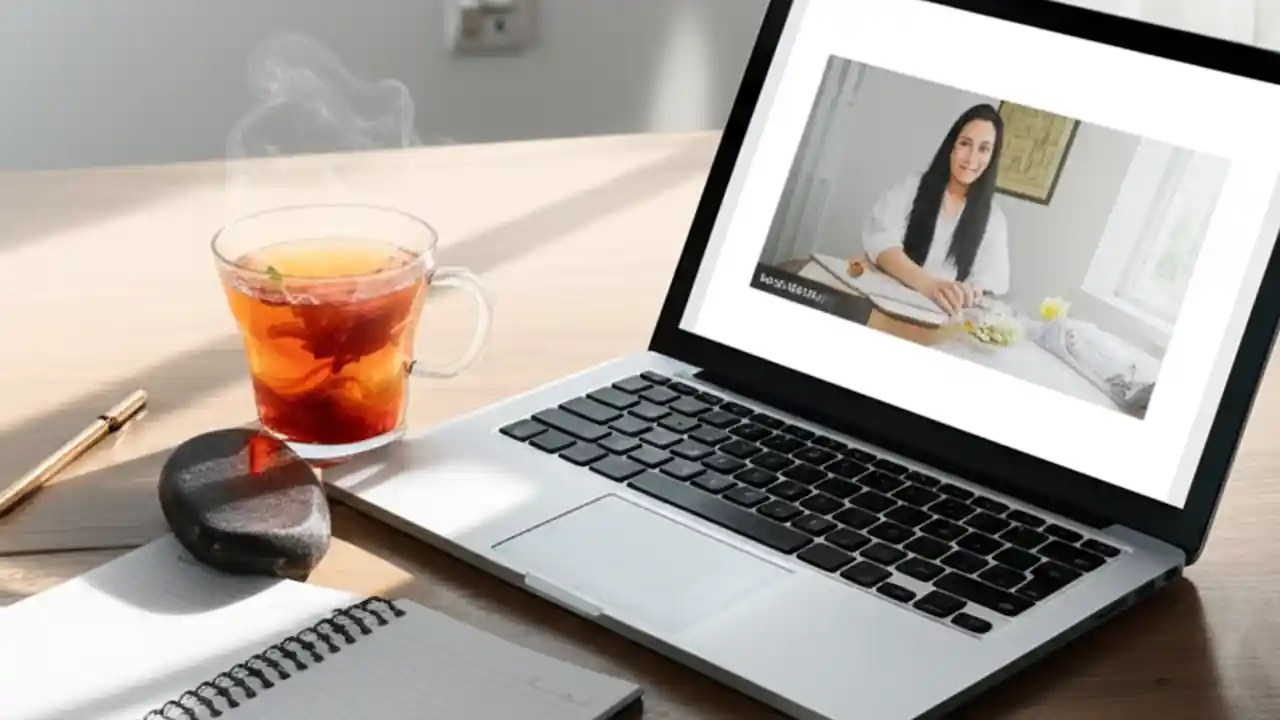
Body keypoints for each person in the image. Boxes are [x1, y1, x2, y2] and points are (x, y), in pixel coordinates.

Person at [858, 103, 1010, 317]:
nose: (971, 158)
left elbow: (989, 280)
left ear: (992, 157)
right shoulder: (911, 188)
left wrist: (971, 291)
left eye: (984, 149)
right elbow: (881, 243)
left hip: (940, 316)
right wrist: (929, 285)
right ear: (952, 146)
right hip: (886, 302)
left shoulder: (993, 219)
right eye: (965, 144)